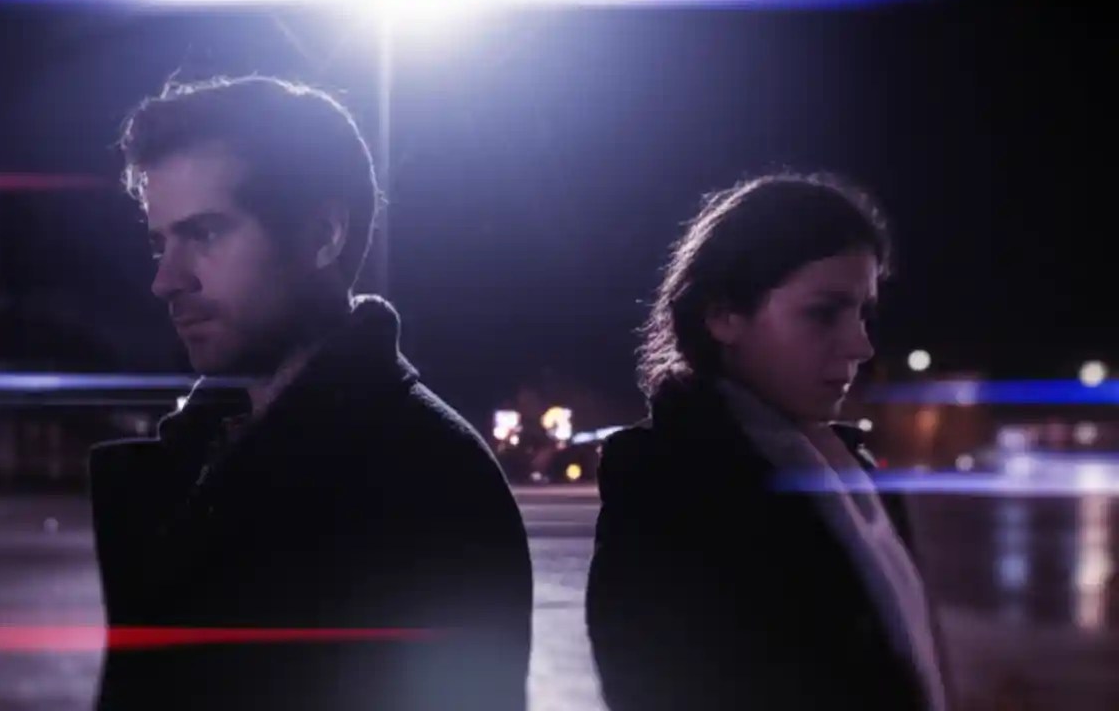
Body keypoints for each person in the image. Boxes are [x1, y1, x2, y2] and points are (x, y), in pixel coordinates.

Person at [89, 75, 532, 710]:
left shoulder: (431, 482)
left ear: (323, 235)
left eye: (205, 234)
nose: (165, 280)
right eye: (161, 242)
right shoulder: (191, 459)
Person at [586, 173, 950, 710]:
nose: (860, 344)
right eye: (824, 313)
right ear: (723, 315)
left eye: (863, 313)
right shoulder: (669, 486)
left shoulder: (854, 467)